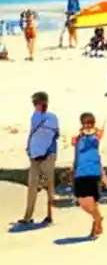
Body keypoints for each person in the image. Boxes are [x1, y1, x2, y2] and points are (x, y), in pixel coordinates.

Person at [17, 91, 58, 228]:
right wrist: (30, 148)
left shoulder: (51, 117)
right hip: (35, 156)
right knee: (32, 185)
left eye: (37, 103)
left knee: (49, 186)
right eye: (34, 103)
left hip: (48, 155)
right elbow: (32, 133)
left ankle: (50, 216)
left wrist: (43, 151)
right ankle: (28, 216)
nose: (36, 105)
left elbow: (53, 135)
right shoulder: (35, 116)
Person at [71, 113, 106, 238]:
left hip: (93, 171)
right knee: (83, 202)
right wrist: (73, 171)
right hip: (80, 172)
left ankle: (96, 225)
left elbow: (98, 136)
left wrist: (103, 175)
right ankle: (98, 220)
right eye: (86, 123)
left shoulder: (95, 137)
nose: (88, 126)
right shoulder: (78, 138)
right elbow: (76, 154)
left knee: (92, 202)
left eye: (90, 123)